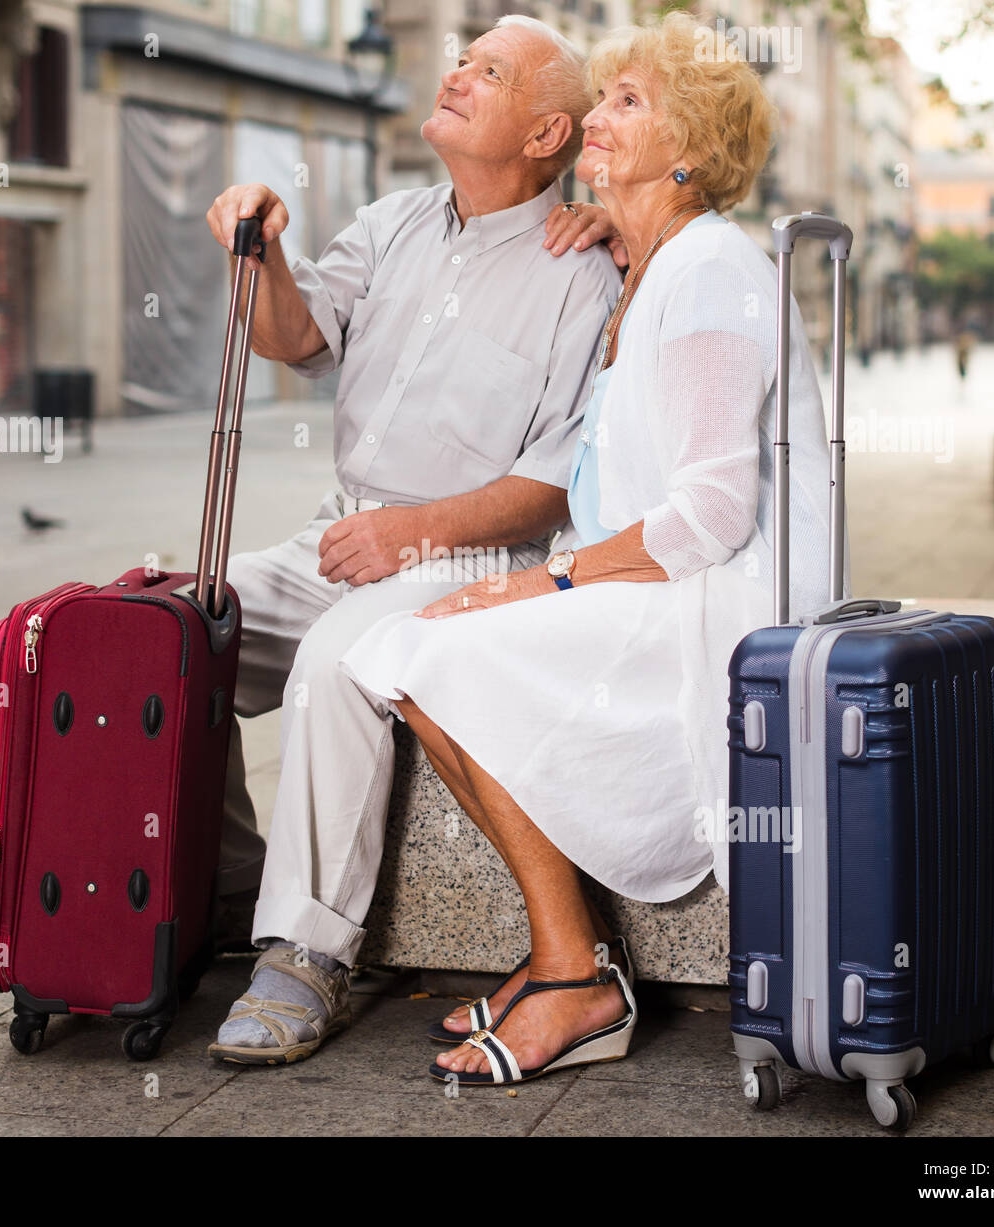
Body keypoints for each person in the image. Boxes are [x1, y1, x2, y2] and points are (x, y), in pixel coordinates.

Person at [340, 9, 838, 1086]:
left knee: (432, 648)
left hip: (713, 602)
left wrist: (544, 579)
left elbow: (709, 512)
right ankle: (566, 954)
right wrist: (612, 229)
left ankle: (576, 976)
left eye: (626, 104)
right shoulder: (654, 264)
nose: (596, 124)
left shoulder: (707, 270)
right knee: (404, 649)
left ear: (691, 154)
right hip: (658, 580)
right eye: (599, 100)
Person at [203, 15, 623, 1065]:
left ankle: (305, 952)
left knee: (335, 664)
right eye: (464, 58)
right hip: (345, 534)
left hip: (472, 559)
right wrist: (260, 251)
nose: (456, 74)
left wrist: (413, 534)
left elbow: (550, 483)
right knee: (180, 623)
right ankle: (215, 887)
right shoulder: (391, 222)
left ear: (544, 133)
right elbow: (298, 341)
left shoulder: (584, 270)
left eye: (490, 71)